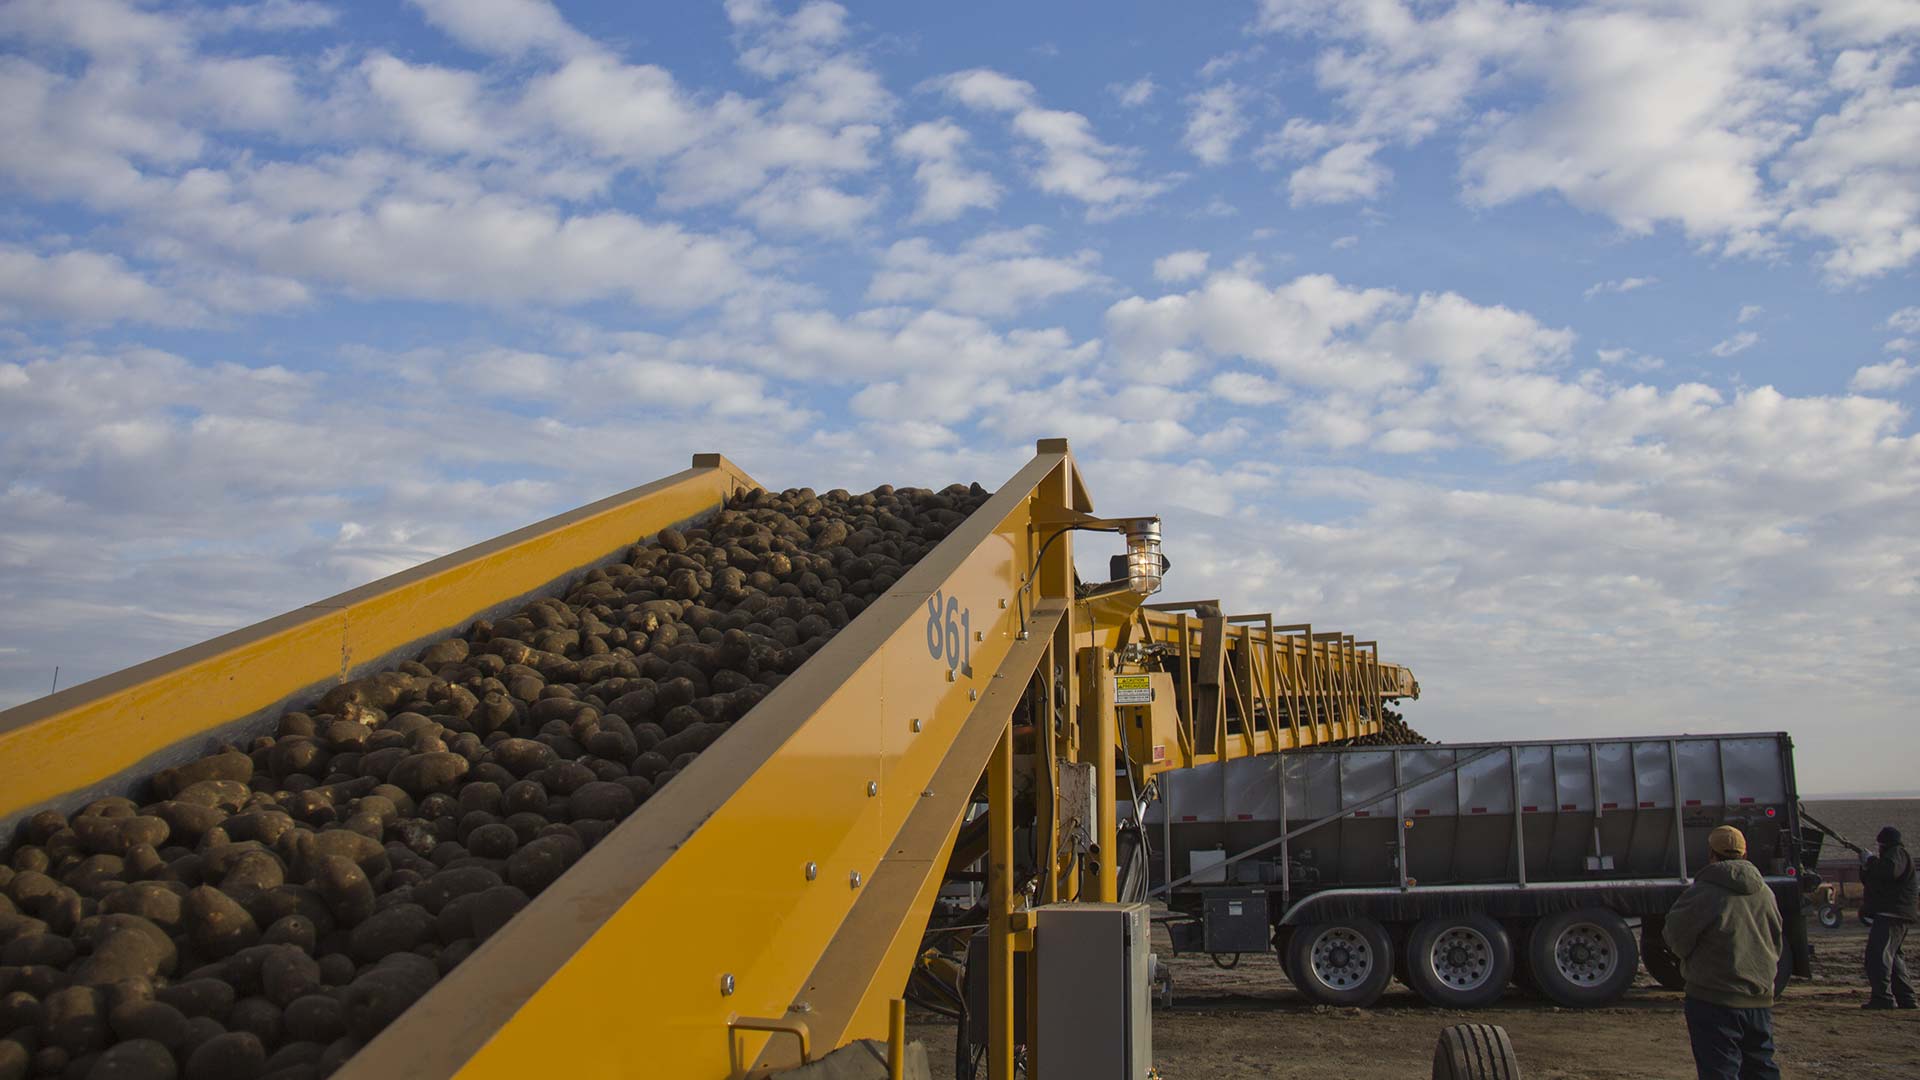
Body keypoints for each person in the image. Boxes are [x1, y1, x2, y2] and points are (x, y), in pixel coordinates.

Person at [1663, 824, 1784, 1080]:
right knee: (1762, 1068)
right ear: (1744, 853)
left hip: (1713, 999)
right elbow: (1776, 940)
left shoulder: (1704, 892)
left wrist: (1689, 961)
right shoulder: (1765, 892)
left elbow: (1675, 935)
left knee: (1719, 1071)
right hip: (1758, 999)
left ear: (1711, 854)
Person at [1860, 825, 1917, 1009]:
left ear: (1885, 843)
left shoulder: (1897, 854)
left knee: (1878, 956)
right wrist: (1866, 865)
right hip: (1895, 914)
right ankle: (1906, 999)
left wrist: (1871, 861)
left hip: (1891, 914)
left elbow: (1887, 872)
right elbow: (1875, 880)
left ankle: (1883, 999)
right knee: (1893, 958)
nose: (1879, 847)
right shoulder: (1893, 856)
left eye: (1880, 844)